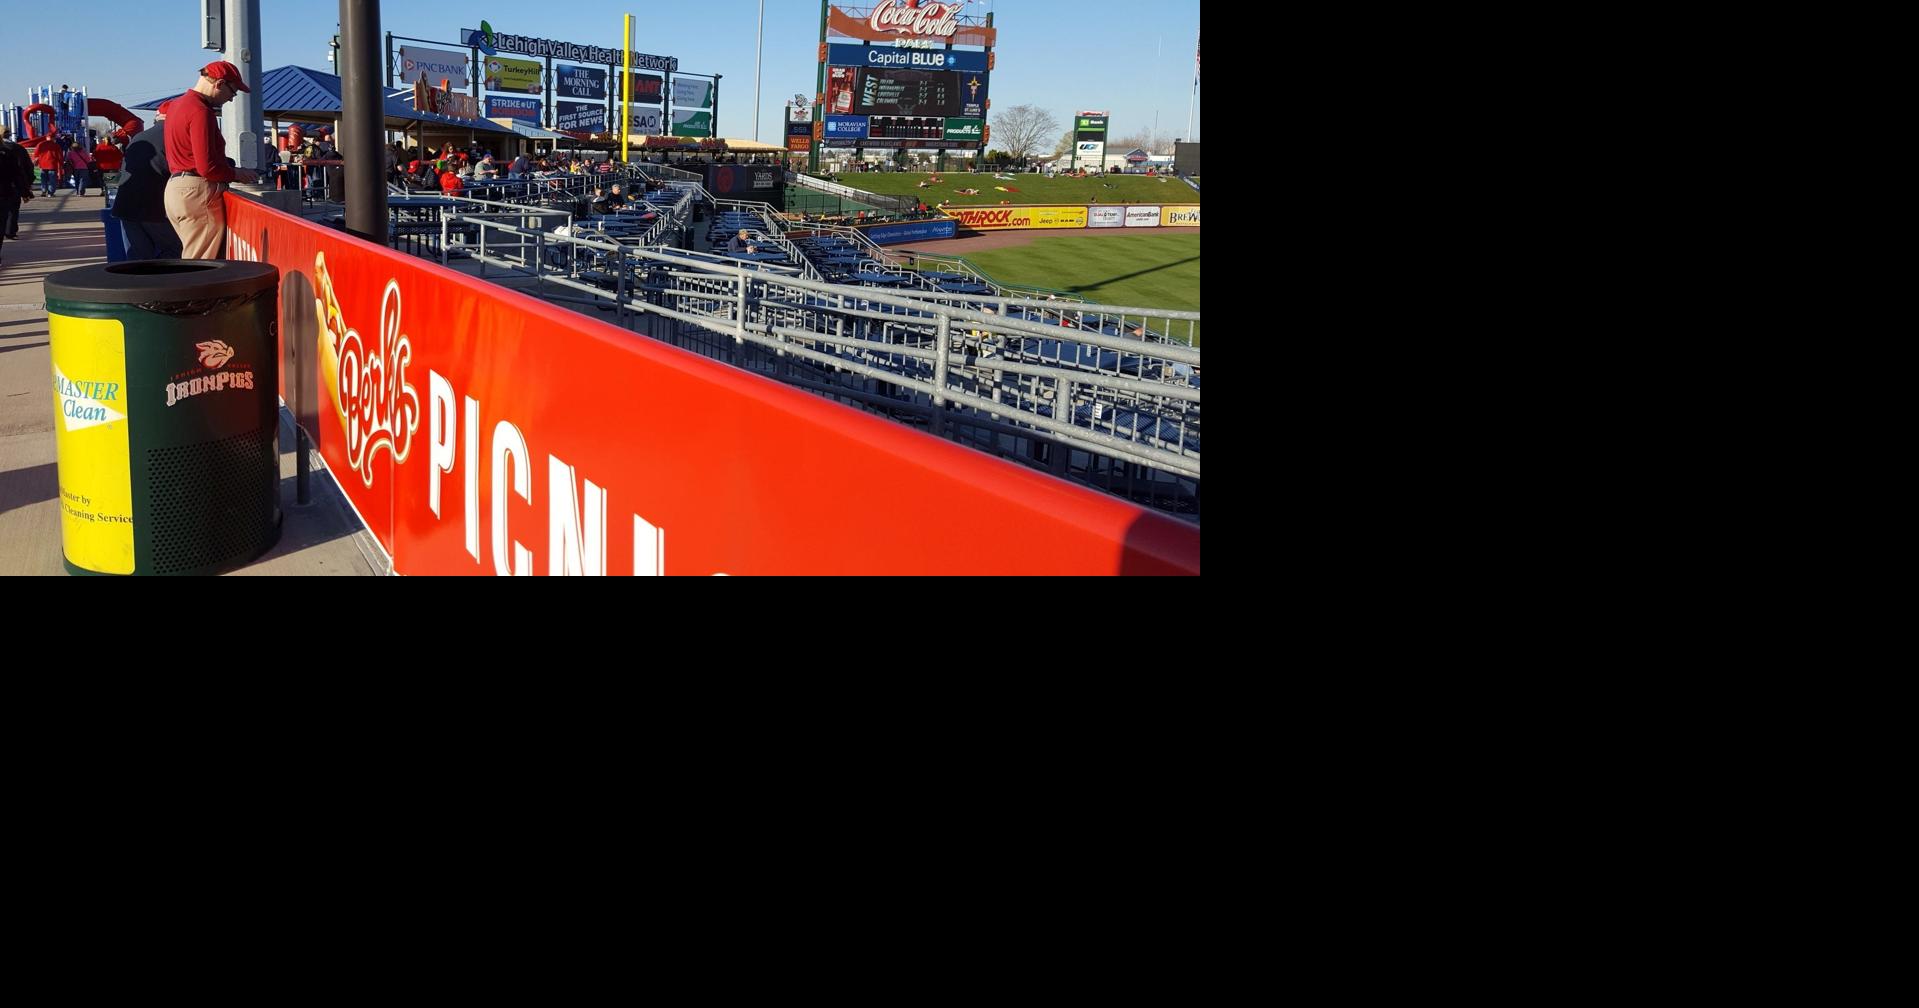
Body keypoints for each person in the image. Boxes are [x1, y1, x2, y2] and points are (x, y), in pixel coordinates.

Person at [162, 60, 260, 259]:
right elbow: (208, 167)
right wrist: (236, 174)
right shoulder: (200, 111)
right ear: (220, 84)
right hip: (197, 191)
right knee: (200, 266)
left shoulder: (175, 106)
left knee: (193, 257)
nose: (231, 99)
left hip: (175, 188)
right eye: (233, 92)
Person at [112, 114, 182, 260]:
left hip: (125, 205)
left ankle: (140, 281)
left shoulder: (140, 137)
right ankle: (160, 280)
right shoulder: (174, 137)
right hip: (152, 206)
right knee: (175, 249)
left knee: (138, 257)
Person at [0, 127, 33, 260]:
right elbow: (18, 173)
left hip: (5, 191)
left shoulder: (9, 152)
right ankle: (10, 231)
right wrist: (25, 190)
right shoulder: (10, 152)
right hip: (5, 192)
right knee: (7, 215)